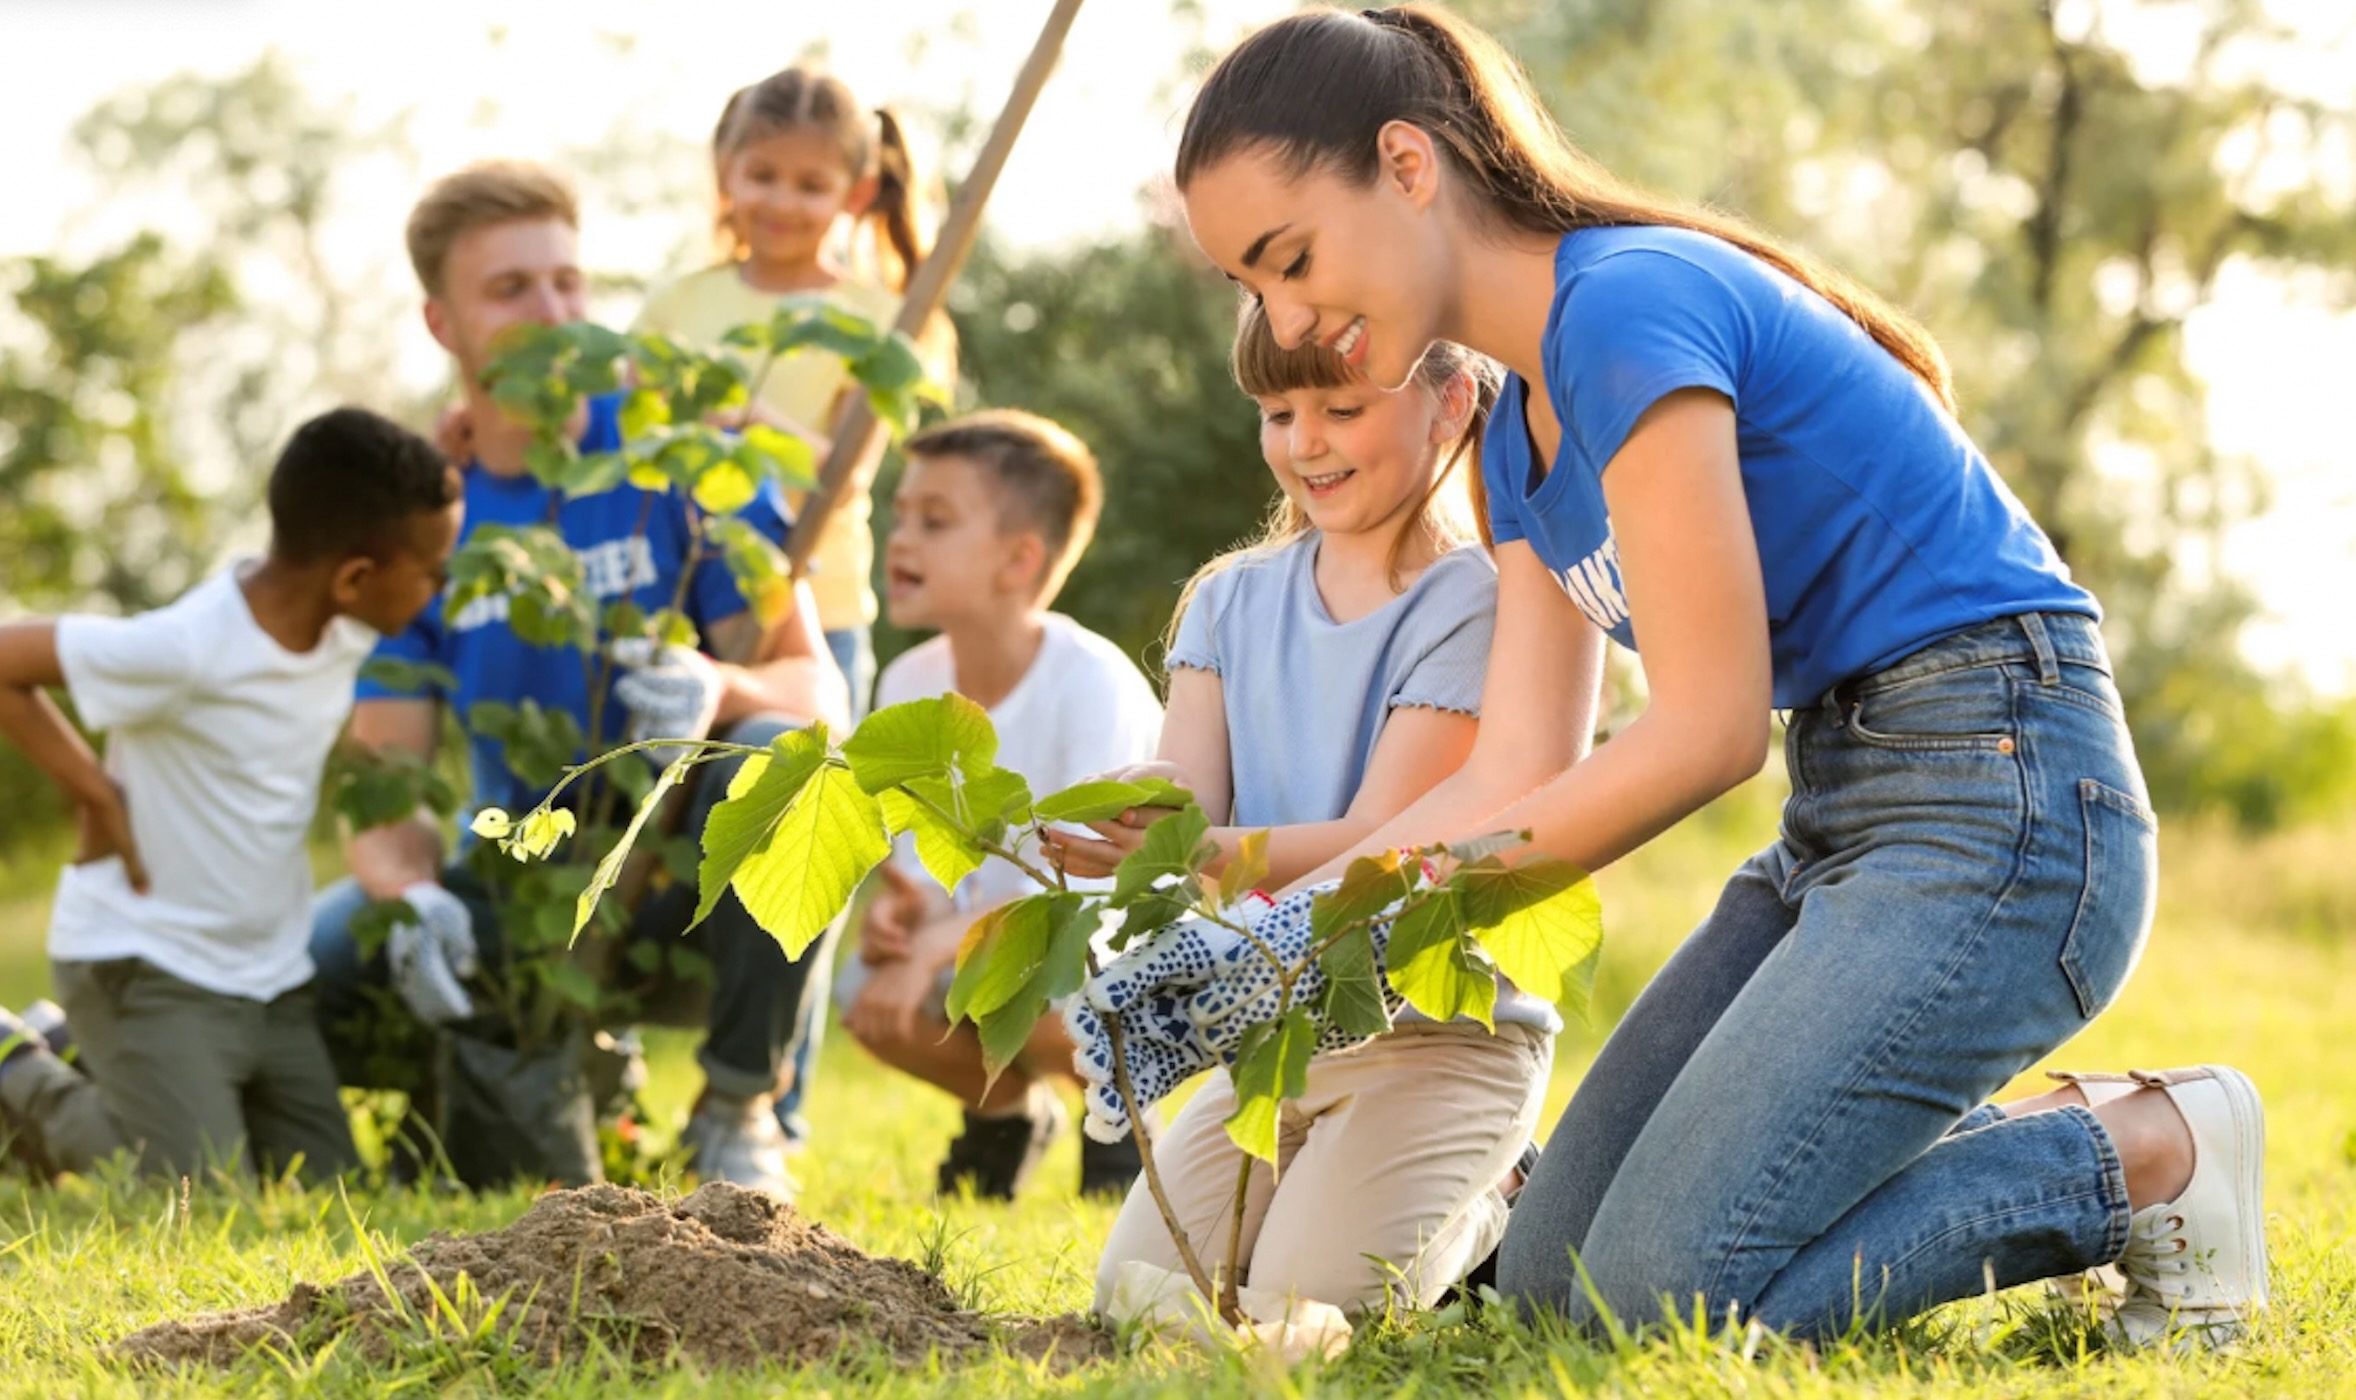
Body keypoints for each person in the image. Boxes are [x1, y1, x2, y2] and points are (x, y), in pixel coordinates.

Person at [1150, 4, 2264, 1349]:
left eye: (1290, 259)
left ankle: (2147, 1151)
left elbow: (1707, 730)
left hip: (2008, 799)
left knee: (1649, 1306)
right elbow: (1515, 775)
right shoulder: (1510, 451)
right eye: (1248, 290)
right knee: (1554, 1288)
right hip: (1847, 811)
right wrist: (1288, 933)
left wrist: (1303, 932)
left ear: (1405, 163)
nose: (1285, 317)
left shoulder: (1624, 308)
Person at [307, 161, 847, 1197]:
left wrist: (715, 688)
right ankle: (513, 1090)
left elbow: (814, 691)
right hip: (524, 889)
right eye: (510, 290)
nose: (554, 314)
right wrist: (410, 892)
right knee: (333, 948)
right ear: (441, 324)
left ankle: (737, 1110)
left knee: (792, 766)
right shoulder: (426, 526)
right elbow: (384, 779)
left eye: (566, 282)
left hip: (684, 888)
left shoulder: (682, 463)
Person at [1049, 304, 1538, 1314]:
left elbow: (1378, 840)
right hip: (1280, 1028)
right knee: (1144, 1300)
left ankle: (1502, 1200)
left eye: (1342, 406)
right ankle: (1408, 1188)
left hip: (1437, 1032)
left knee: (1302, 1310)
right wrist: (1121, 823)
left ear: (1449, 404)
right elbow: (1189, 786)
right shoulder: (1229, 597)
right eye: (1277, 410)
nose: (1304, 440)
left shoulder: (1470, 601)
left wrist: (1195, 856)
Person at [0, 408, 461, 1183]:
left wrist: (457, 445)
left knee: (331, 1192)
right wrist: (97, 794)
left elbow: (402, 515)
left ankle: (100, 1058)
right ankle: (21, 1076)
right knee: (205, 1197)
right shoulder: (189, 648)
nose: (441, 589)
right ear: (354, 577)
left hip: (268, 982)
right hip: (147, 963)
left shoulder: (340, 621)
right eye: (434, 573)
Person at [634, 66, 960, 1144]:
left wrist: (749, 430)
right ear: (724, 174)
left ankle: (772, 1101)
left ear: (856, 194)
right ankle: (614, 1062)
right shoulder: (683, 303)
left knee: (803, 843)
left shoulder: (883, 317)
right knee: (656, 831)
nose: (779, 200)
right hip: (681, 609)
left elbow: (875, 457)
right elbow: (628, 434)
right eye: (759, 175)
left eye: (809, 184)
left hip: (820, 609)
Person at [835, 410, 1163, 1199]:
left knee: (1056, 999)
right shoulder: (907, 682)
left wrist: (933, 949)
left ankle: (1123, 1128)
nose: (901, 539)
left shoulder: (1091, 680)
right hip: (985, 949)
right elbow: (924, 861)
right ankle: (1006, 1115)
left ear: (1020, 559)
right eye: (899, 514)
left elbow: (1087, 894)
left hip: (1108, 953)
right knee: (865, 994)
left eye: (935, 521)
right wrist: (905, 916)